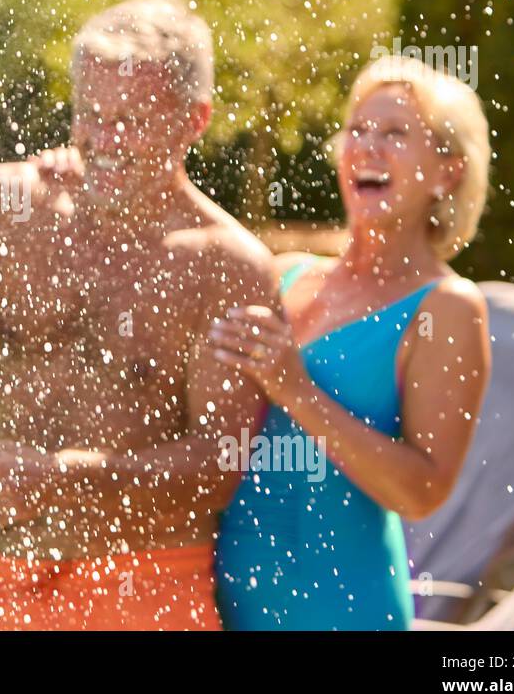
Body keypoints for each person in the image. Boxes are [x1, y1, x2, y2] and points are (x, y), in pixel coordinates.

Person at [0, 0, 277, 630]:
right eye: (90, 113)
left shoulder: (227, 265)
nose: (103, 141)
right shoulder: (5, 208)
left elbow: (220, 463)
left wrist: (58, 478)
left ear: (196, 118)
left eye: (132, 119)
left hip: (147, 587)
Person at [210, 55, 492, 629]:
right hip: (220, 602)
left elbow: (422, 491)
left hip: (339, 612)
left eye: (395, 134)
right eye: (357, 131)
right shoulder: (282, 274)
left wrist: (297, 391)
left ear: (447, 172)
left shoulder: (449, 309)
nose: (367, 147)